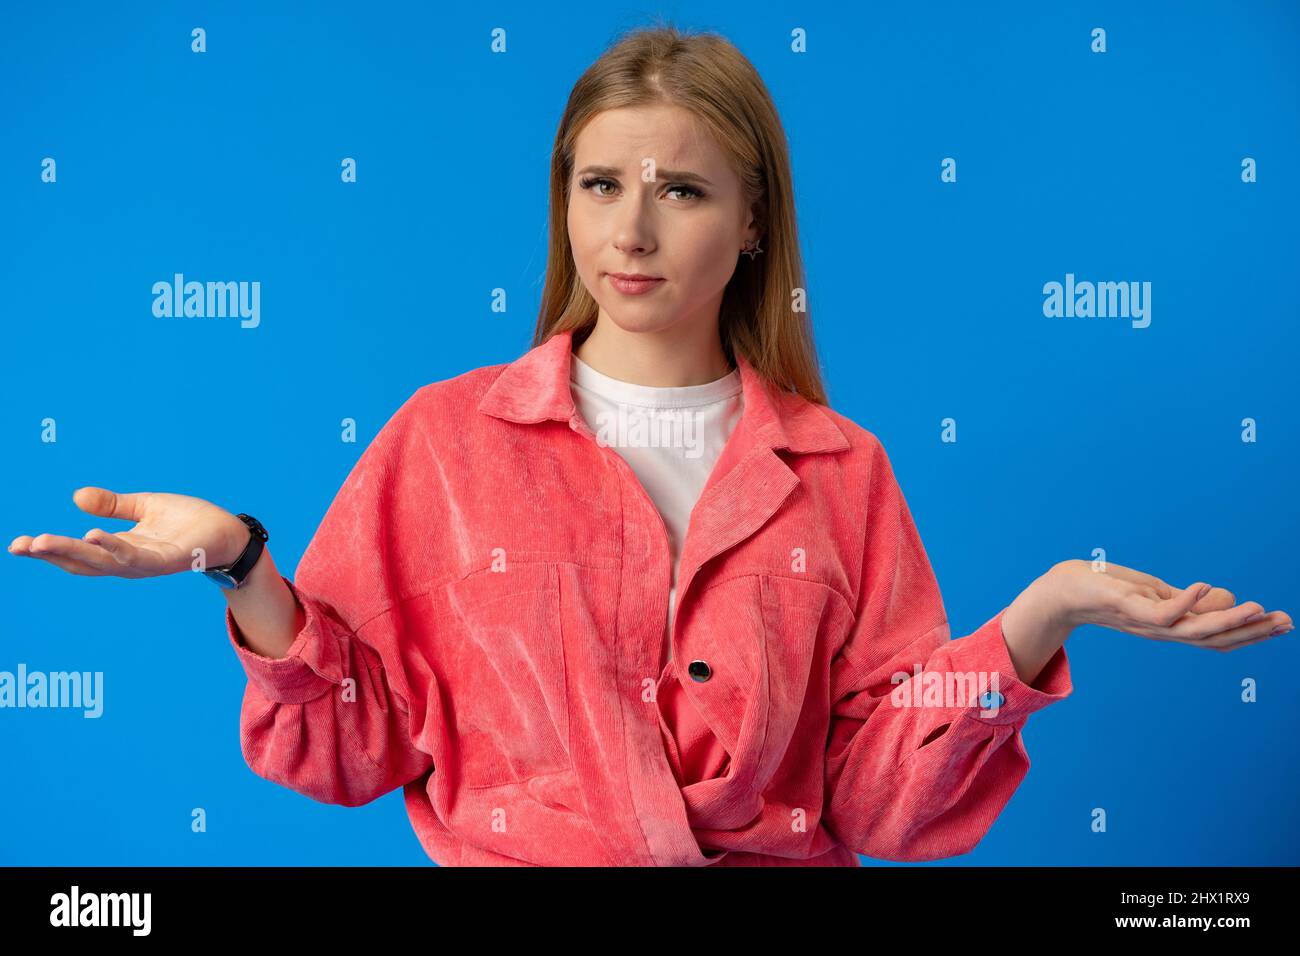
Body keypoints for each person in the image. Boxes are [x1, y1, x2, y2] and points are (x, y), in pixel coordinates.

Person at [9, 24, 1291, 867]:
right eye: (597, 183)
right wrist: (241, 561)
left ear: (749, 226)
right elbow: (353, 745)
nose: (629, 230)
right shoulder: (444, 442)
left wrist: (1040, 615)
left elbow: (882, 802)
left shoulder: (840, 471)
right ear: (563, 202)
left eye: (679, 190)